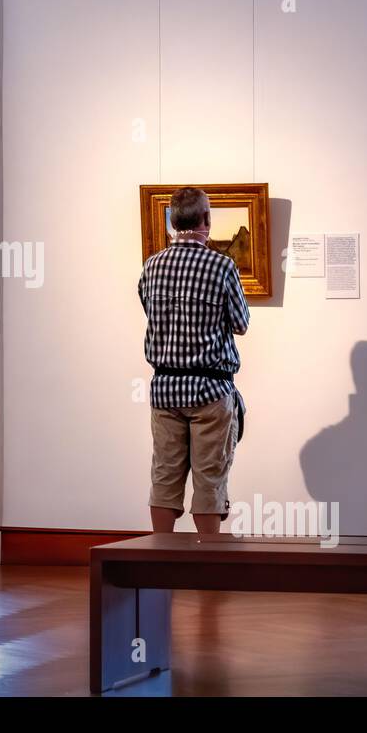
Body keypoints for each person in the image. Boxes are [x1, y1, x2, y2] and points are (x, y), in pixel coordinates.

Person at [138, 187, 249, 537]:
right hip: (210, 390)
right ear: (206, 220)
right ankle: (207, 566)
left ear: (172, 220)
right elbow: (241, 323)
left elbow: (148, 309)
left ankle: (159, 564)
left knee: (164, 476)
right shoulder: (222, 266)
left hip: (165, 389)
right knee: (210, 480)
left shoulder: (152, 266)